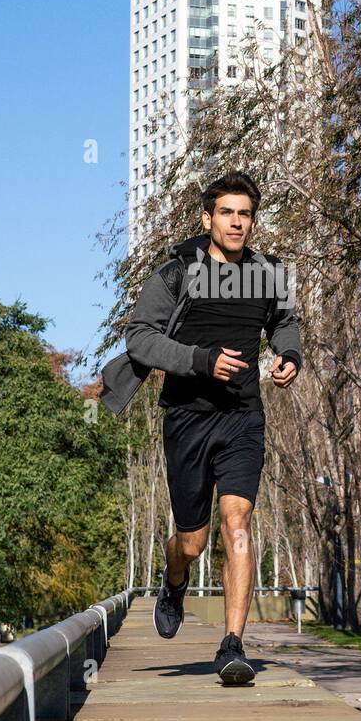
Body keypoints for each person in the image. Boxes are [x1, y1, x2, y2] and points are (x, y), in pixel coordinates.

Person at [101, 170, 301, 684]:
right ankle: (174, 581)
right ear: (207, 217)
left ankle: (233, 645)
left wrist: (289, 357)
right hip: (187, 416)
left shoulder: (268, 274)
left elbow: (283, 323)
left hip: (242, 417)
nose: (237, 222)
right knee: (192, 540)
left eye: (246, 214)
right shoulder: (178, 272)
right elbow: (140, 339)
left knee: (239, 523)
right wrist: (200, 359)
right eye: (228, 213)